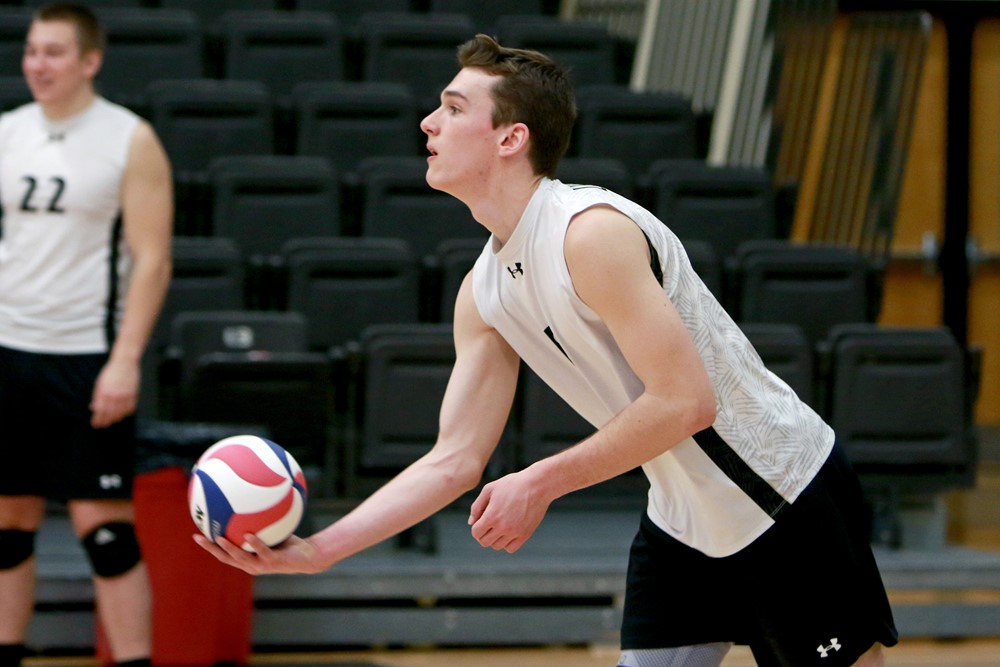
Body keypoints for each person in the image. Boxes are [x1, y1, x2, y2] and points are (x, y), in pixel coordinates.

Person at [195, 34, 898, 667]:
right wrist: (319, 552)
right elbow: (454, 459)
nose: (428, 123)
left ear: (510, 138)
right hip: (682, 522)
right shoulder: (484, 290)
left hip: (779, 494)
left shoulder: (589, 234)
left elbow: (686, 400)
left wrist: (541, 481)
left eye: (452, 108)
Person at [0, 4, 172, 666]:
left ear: (89, 61)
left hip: (85, 358)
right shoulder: (10, 132)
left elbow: (153, 259)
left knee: (106, 534)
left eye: (53, 52)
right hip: (11, 351)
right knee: (8, 527)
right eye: (31, 51)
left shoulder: (129, 138)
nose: (37, 64)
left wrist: (124, 361)